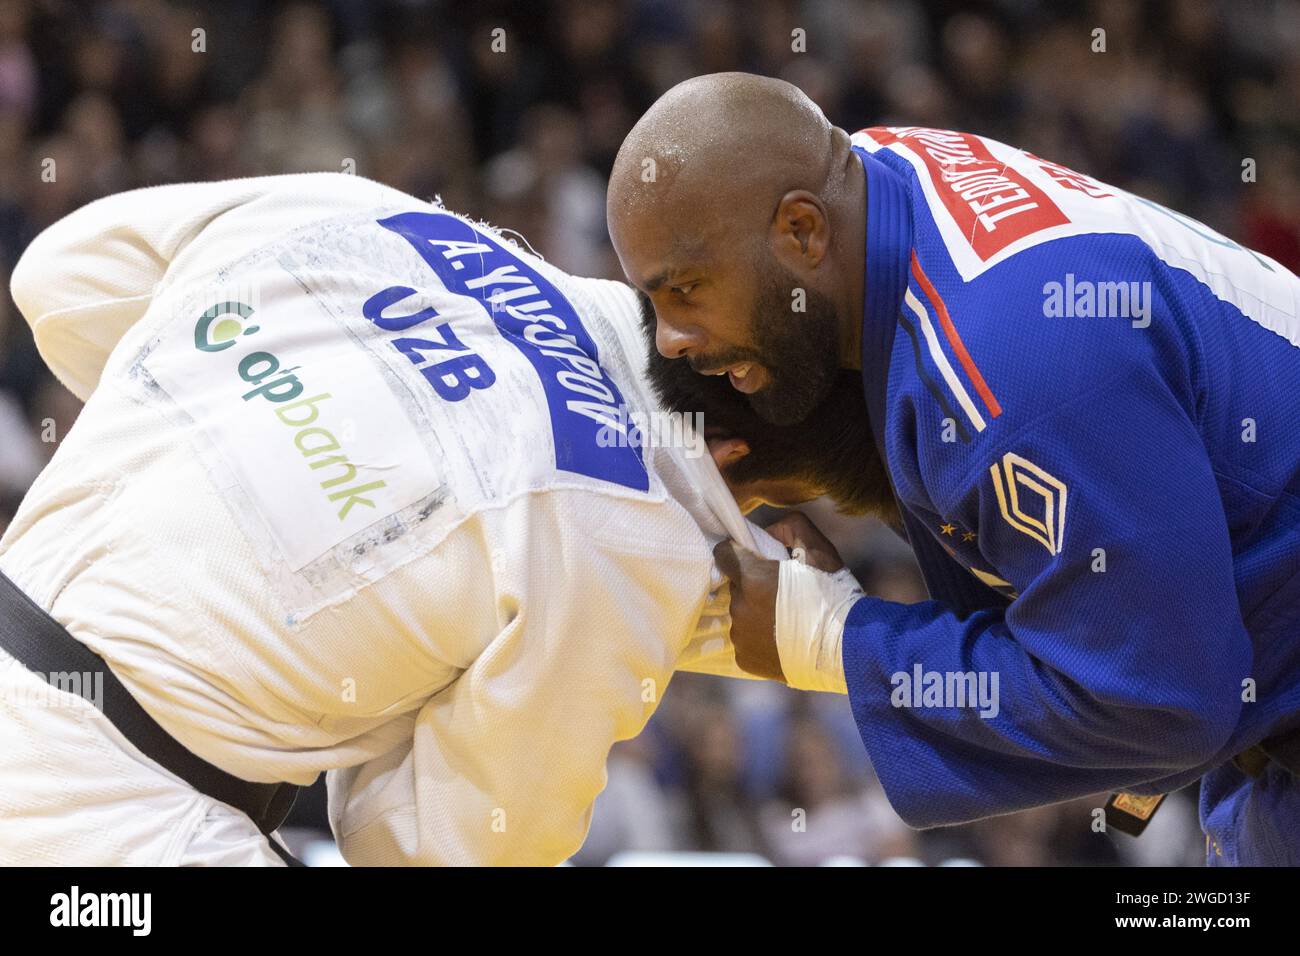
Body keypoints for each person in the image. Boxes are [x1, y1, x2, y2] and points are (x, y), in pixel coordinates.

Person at [0, 171, 872, 866]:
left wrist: (220, 429)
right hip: (111, 819)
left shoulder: (386, 220)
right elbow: (426, 850)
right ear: (737, 463)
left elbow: (61, 276)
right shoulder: (628, 547)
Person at [607, 72, 1300, 866]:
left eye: (687, 289)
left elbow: (1162, 704)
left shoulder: (1014, 362)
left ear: (801, 231)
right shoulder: (876, 171)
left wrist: (830, 639)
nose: (668, 337)